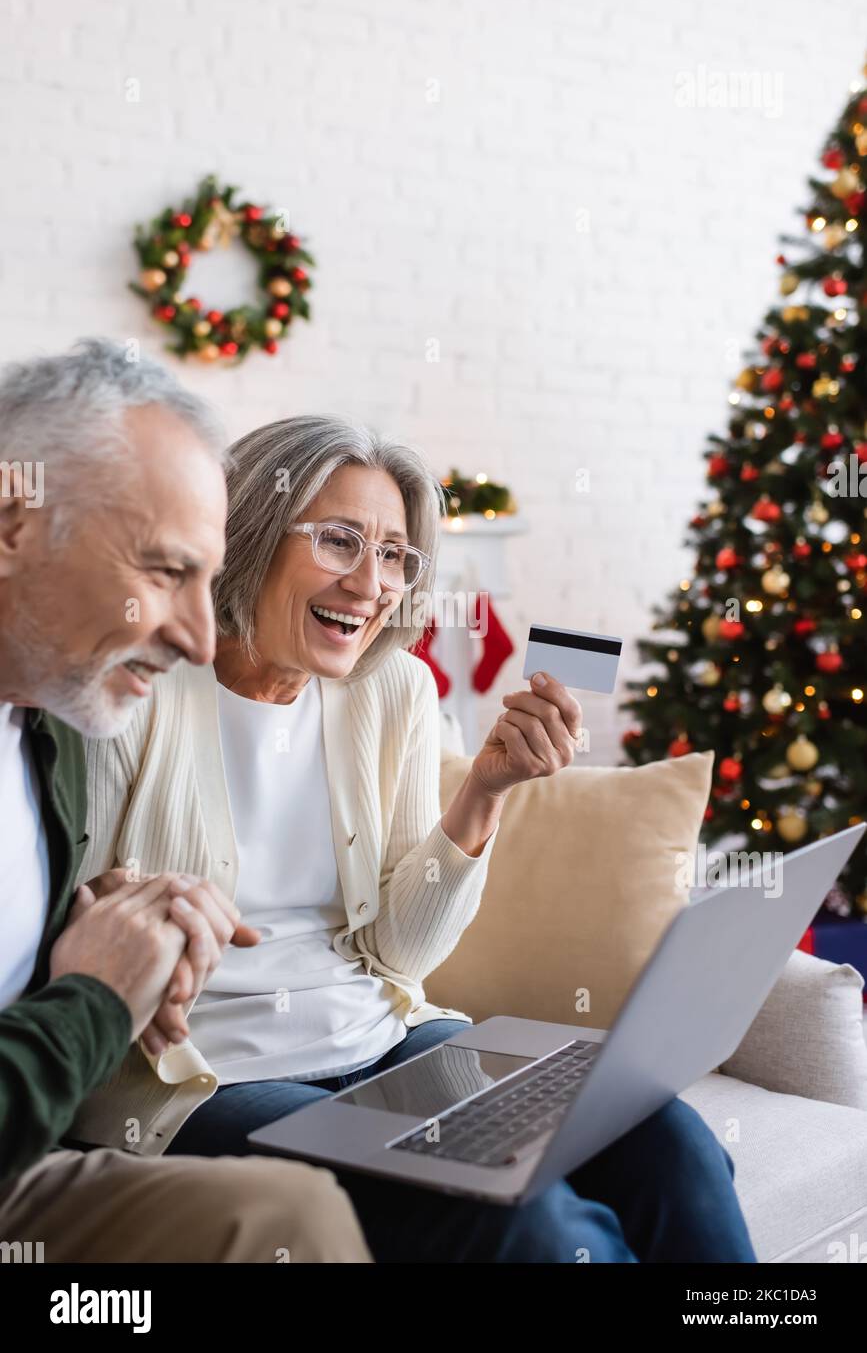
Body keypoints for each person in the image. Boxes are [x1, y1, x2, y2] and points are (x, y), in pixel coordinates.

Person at [77, 412, 758, 1263]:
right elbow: (71, 925)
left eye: (395, 554)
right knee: (521, 1224)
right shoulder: (140, 684)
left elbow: (400, 956)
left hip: (385, 1037)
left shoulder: (390, 689)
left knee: (667, 1141)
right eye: (338, 541)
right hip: (203, 1078)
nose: (372, 582)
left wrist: (484, 790)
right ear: (247, 531)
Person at [0, 340, 371, 1263]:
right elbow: (77, 1017)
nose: (202, 640)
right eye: (164, 572)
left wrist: (138, 927)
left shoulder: (55, 728)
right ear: (13, 523)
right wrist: (94, 1000)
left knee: (294, 1218)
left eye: (207, 580)